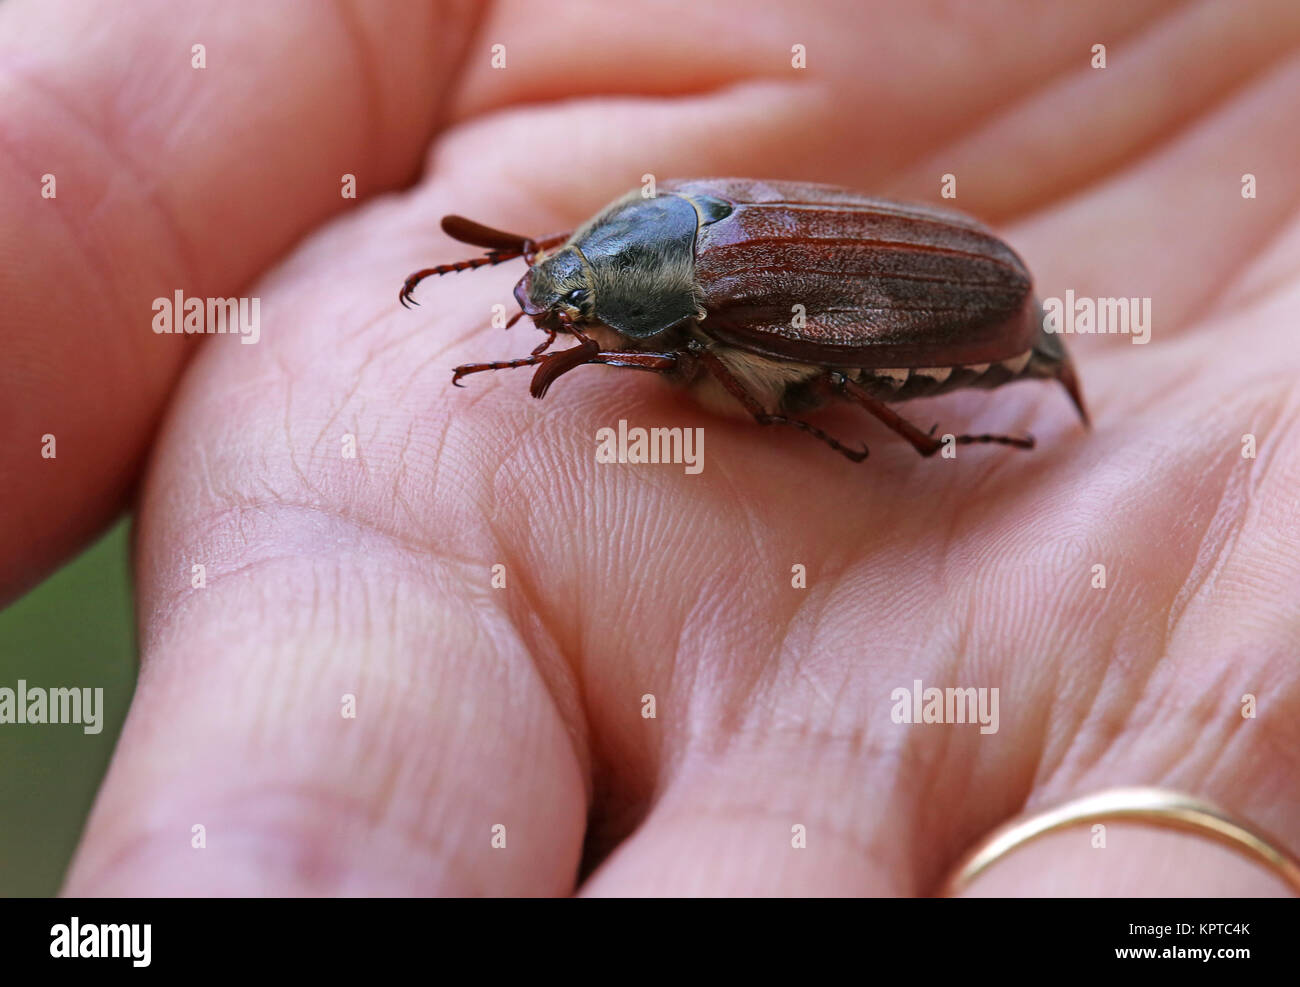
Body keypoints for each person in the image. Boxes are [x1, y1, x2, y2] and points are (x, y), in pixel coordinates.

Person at [4, 0, 1298, 896]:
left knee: (803, 389)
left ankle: (922, 435)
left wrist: (575, 346)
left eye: (571, 304)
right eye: (560, 293)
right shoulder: (676, 228)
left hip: (964, 314)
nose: (556, 312)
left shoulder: (718, 290)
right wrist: (561, 318)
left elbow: (738, 355)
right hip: (949, 278)